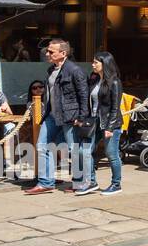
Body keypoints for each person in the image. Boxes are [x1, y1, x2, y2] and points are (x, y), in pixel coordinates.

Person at [25, 39, 89, 195]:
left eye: (51, 51)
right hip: (52, 115)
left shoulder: (74, 70)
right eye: (47, 51)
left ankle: (80, 182)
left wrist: (81, 117)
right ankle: (46, 183)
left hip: (70, 116)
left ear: (63, 53)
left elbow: (83, 94)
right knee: (42, 146)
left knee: (74, 149)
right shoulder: (51, 70)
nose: (47, 54)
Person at [81, 52, 125, 196]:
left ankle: (116, 184)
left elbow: (115, 107)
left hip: (109, 123)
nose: (92, 65)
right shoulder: (93, 80)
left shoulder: (115, 82)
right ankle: (92, 182)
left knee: (111, 154)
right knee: (85, 151)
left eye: (95, 63)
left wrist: (110, 127)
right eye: (93, 62)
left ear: (104, 64)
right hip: (94, 121)